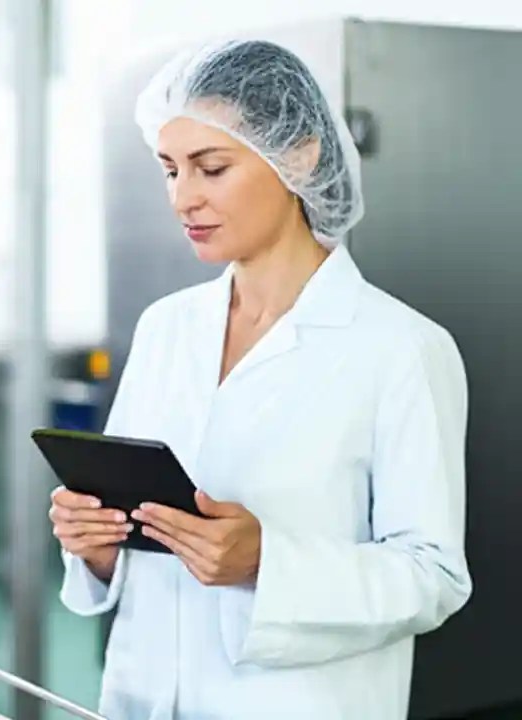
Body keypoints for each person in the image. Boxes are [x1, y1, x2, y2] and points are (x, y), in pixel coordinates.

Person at [49, 39, 471, 719]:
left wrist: (266, 565)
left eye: (211, 168)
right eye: (169, 169)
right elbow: (133, 521)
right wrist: (95, 545)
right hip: (142, 698)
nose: (184, 197)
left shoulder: (401, 348)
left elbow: (435, 577)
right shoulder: (167, 327)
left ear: (298, 155)